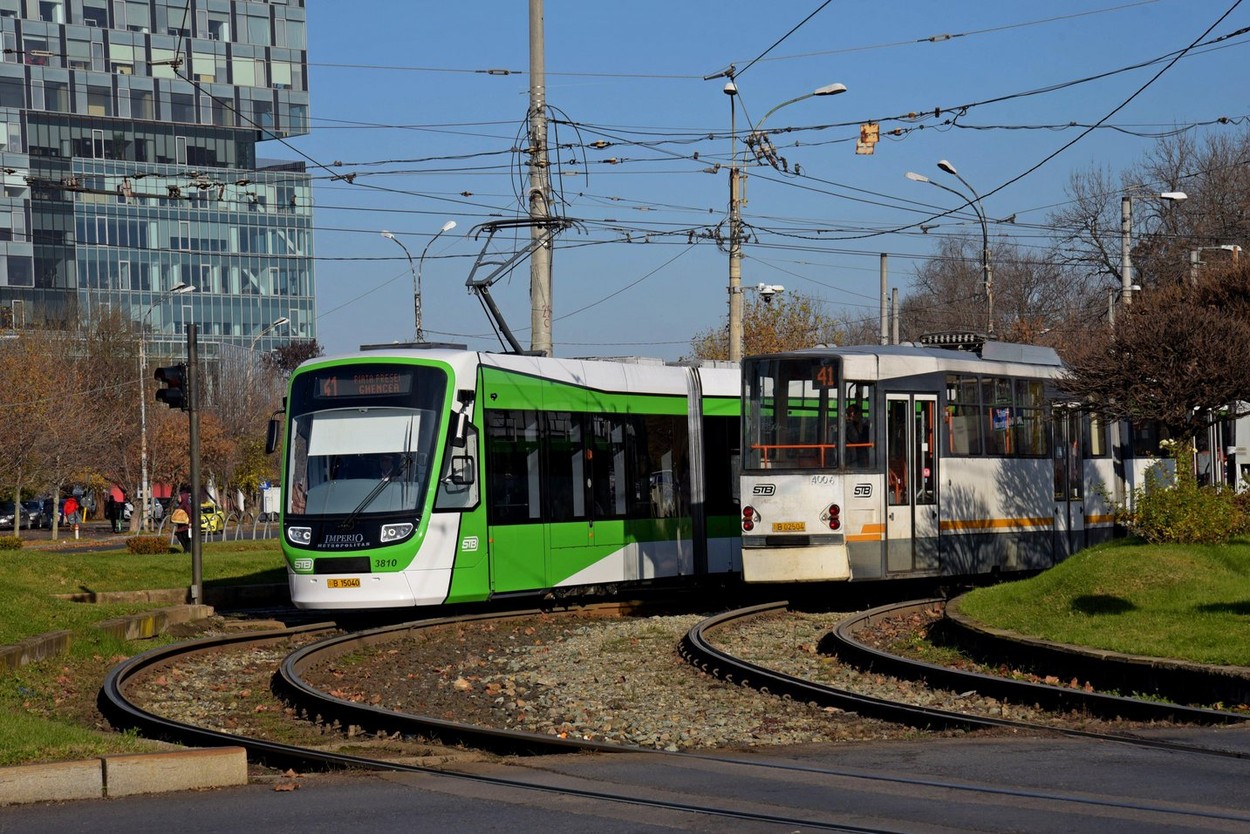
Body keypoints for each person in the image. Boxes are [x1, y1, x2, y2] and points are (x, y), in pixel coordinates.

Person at [171, 488, 192, 553]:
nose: (178, 499)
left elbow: (190, 514)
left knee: (186, 537)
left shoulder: (186, 506)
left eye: (179, 497)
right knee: (179, 536)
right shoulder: (180, 505)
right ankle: (186, 549)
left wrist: (190, 523)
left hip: (186, 524)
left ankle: (187, 550)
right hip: (180, 524)